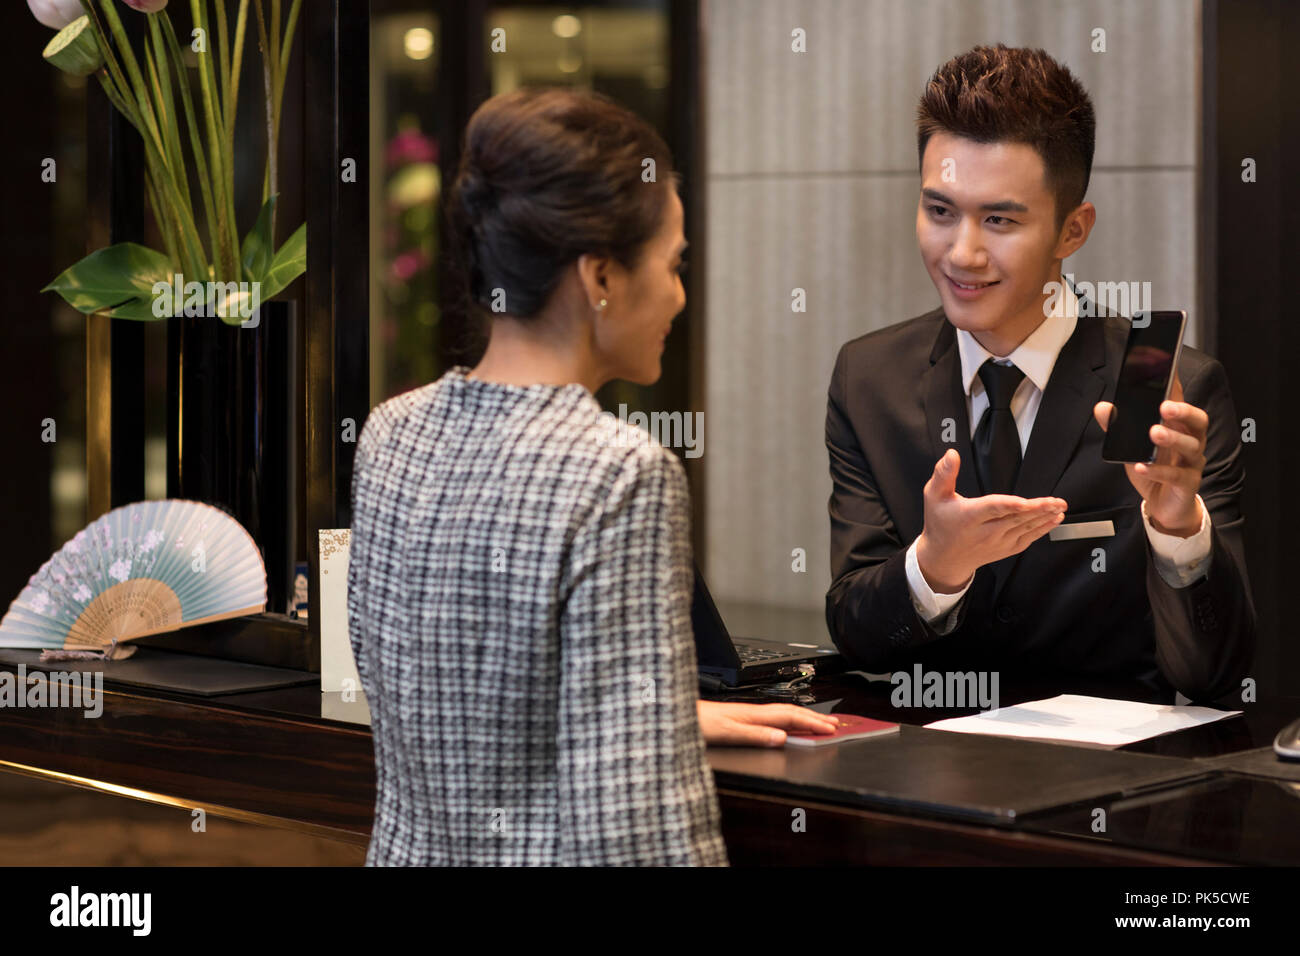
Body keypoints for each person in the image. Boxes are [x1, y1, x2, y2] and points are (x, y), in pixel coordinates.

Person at [347, 87, 836, 866]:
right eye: (673, 264)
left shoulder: (390, 438)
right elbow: (639, 829)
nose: (679, 294)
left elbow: (432, 703)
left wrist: (661, 710)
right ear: (601, 276)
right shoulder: (621, 474)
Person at [824, 44, 1255, 702]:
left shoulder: (1175, 392)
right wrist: (935, 567)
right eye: (940, 211)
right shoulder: (869, 378)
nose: (962, 254)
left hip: (1112, 778)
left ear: (1071, 231)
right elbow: (857, 634)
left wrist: (1175, 528)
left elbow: (1216, 676)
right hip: (929, 771)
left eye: (999, 220)